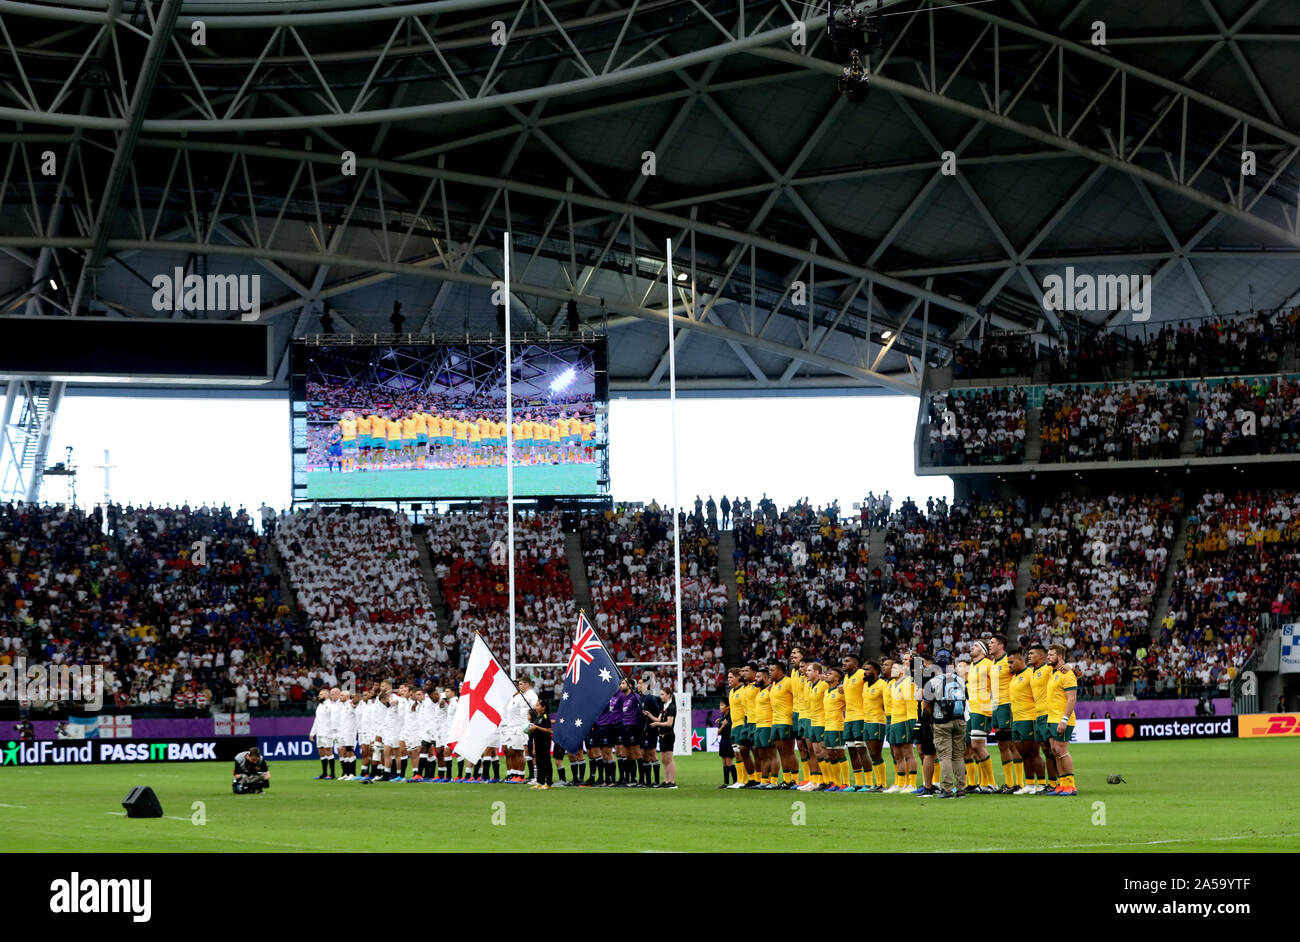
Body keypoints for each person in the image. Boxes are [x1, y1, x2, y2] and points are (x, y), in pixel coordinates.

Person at [923, 651, 966, 799]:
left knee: (945, 757)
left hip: (942, 721)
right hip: (960, 720)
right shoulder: (960, 680)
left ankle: (947, 789)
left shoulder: (932, 682)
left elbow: (926, 706)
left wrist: (931, 720)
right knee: (959, 756)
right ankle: (961, 789)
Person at [1045, 644, 1079, 796]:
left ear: (1059, 657)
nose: (1048, 657)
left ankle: (1071, 785)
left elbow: (1072, 699)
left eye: (1051, 655)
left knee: (1062, 752)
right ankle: (1062, 784)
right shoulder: (1054, 673)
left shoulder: (1067, 674)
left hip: (1062, 719)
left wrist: (1064, 720)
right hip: (1052, 718)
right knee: (1054, 751)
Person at [651, 685, 678, 788]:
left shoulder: (671, 707)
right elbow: (659, 719)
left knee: (669, 759)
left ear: (668, 695)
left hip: (668, 735)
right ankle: (666, 781)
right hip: (662, 736)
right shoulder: (664, 707)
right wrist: (649, 715)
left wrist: (657, 724)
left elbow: (669, 723)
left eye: (662, 694)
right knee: (663, 759)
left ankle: (672, 781)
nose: (661, 696)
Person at [528, 700, 553, 790]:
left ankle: (548, 783)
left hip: (544, 742)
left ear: (543, 707)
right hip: (537, 742)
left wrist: (537, 727)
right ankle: (540, 782)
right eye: (536, 705)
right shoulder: (538, 718)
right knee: (539, 762)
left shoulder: (546, 717)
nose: (536, 707)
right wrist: (531, 730)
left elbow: (549, 730)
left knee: (546, 762)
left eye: (538, 705)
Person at [717, 700, 736, 788]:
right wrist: (722, 726)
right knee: (724, 763)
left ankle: (735, 781)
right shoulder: (721, 718)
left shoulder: (731, 717)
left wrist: (723, 726)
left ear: (728, 707)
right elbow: (718, 732)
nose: (720, 707)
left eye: (722, 705)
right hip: (723, 741)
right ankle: (726, 782)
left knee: (729, 762)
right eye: (720, 705)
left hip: (729, 741)